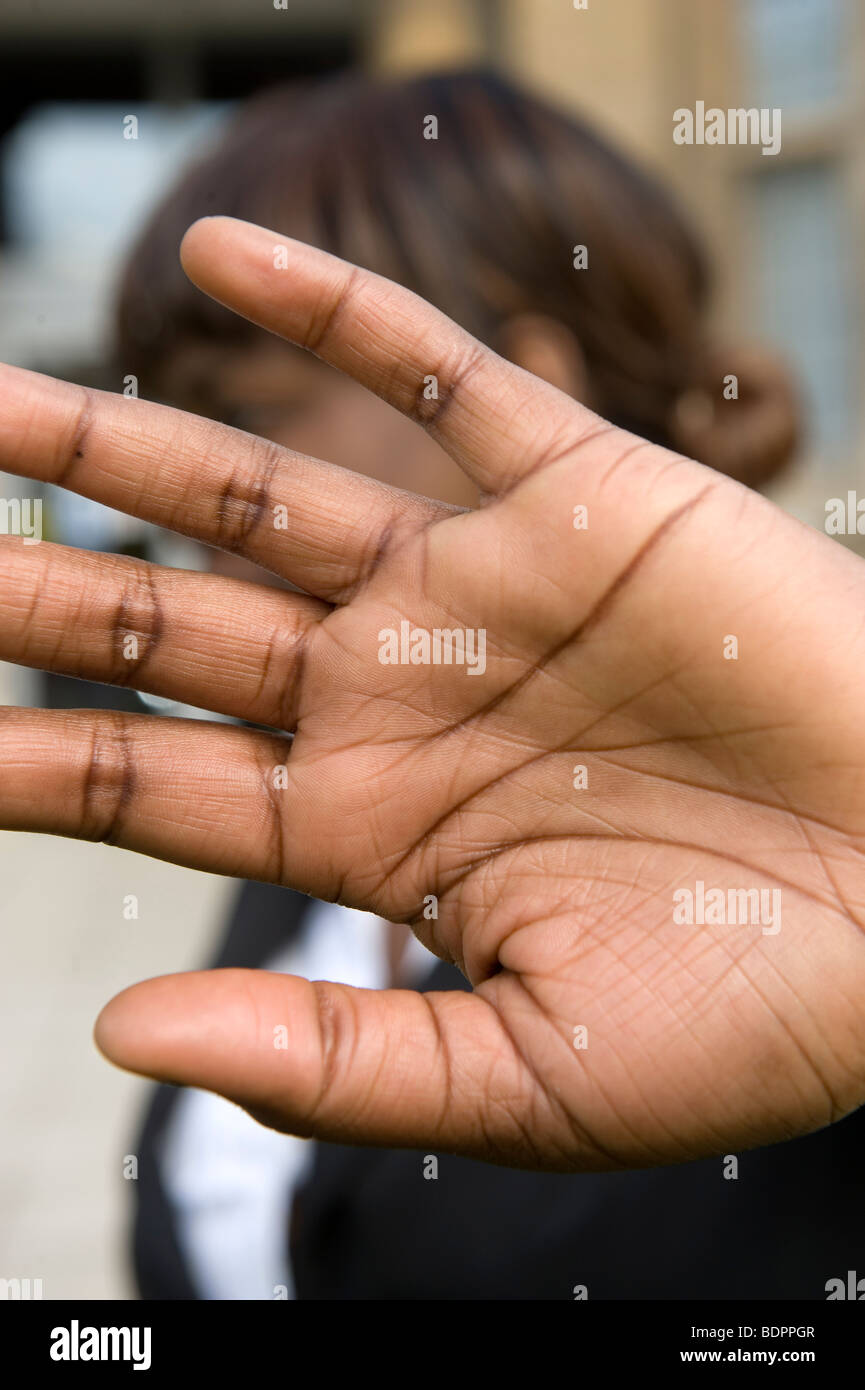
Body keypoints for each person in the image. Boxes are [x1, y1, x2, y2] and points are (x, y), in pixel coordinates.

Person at [1, 71, 863, 1302]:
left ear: (523, 389)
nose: (182, 501)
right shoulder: (327, 809)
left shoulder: (784, 854)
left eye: (243, 415)